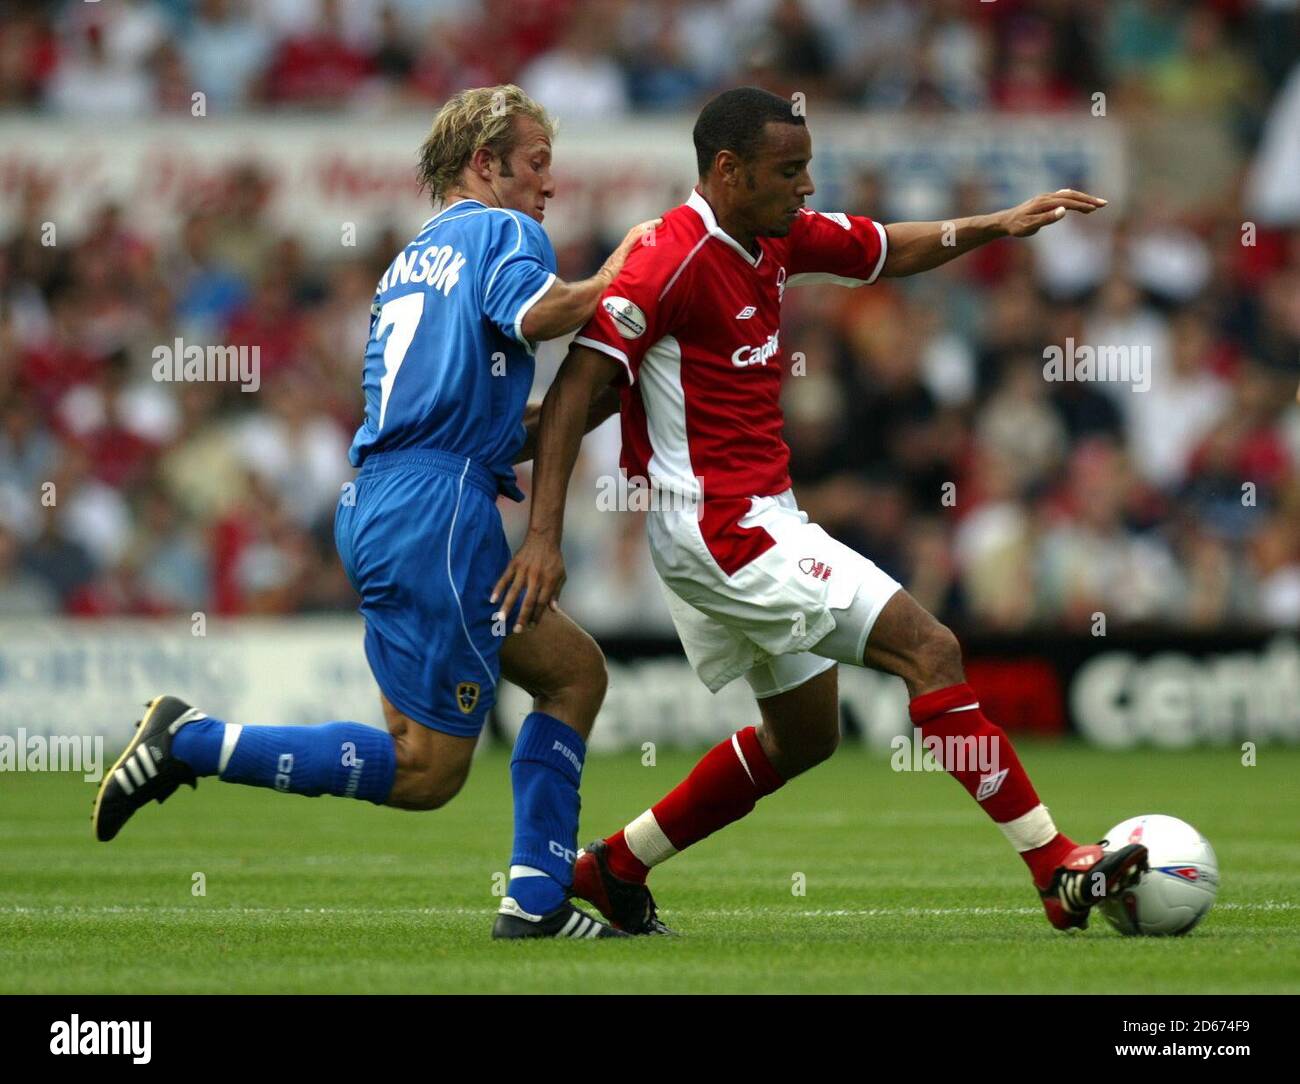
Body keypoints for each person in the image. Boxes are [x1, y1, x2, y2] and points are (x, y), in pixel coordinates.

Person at [491, 86, 1146, 935]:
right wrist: (542, 536)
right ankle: (1055, 864)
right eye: (788, 171)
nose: (806, 188)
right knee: (930, 647)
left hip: (752, 521)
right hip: (726, 530)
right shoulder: (668, 257)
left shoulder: (771, 235)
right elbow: (584, 381)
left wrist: (999, 222)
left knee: (804, 737)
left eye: (807, 169)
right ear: (728, 172)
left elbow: (885, 249)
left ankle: (614, 867)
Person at [92, 85, 657, 941]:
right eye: (537, 163)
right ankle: (192, 742)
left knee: (572, 673)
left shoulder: (411, 260)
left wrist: (594, 408)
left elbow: (458, 427)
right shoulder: (505, 231)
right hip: (436, 513)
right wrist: (617, 274)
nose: (550, 184)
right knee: (427, 772)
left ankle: (536, 901)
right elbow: (538, 314)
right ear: (485, 163)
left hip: (385, 500)